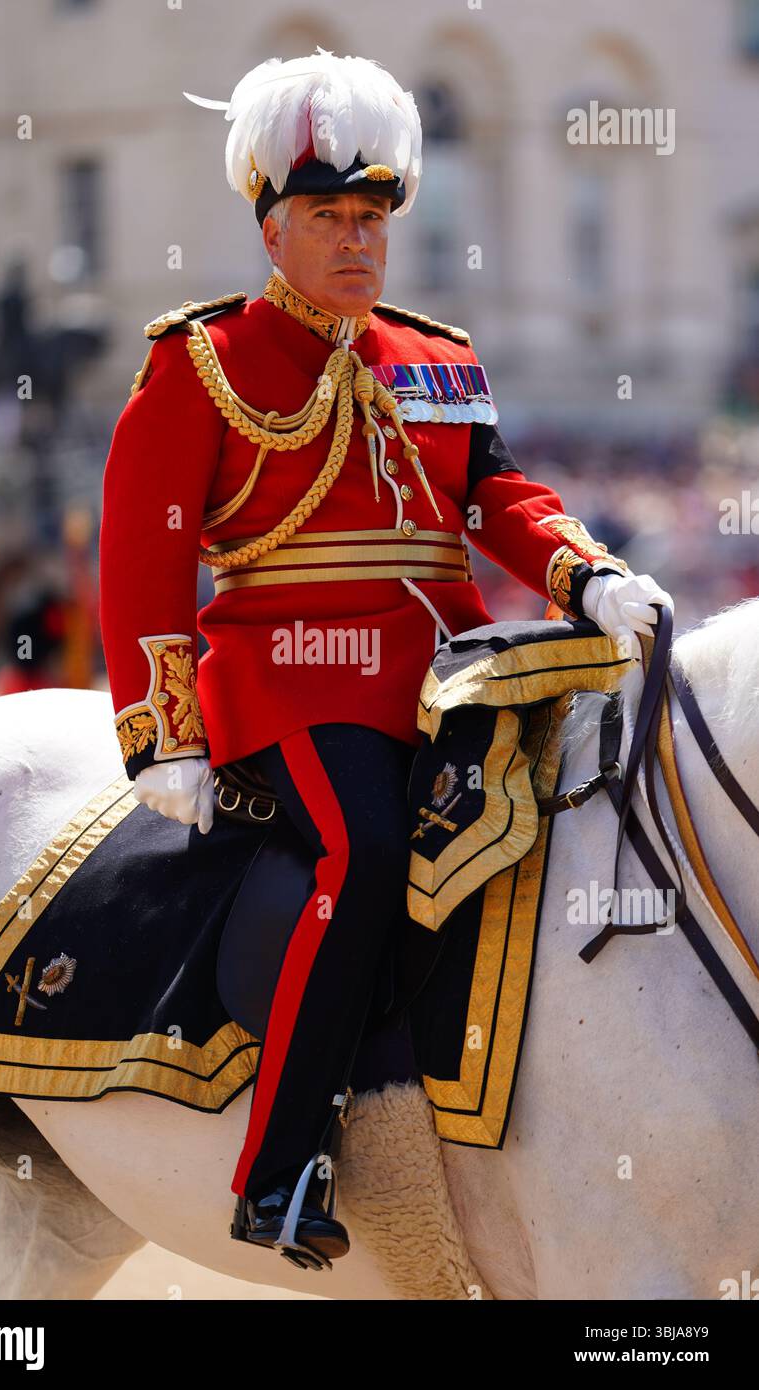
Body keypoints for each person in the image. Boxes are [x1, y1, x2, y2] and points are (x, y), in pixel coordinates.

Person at [98, 49, 673, 1268]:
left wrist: (587, 572)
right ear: (271, 224)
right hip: (290, 673)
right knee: (358, 847)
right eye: (326, 217)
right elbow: (142, 555)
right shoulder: (199, 360)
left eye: (369, 218)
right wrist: (164, 732)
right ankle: (280, 1163)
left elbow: (495, 493)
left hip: (453, 667)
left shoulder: (435, 355)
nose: (355, 241)